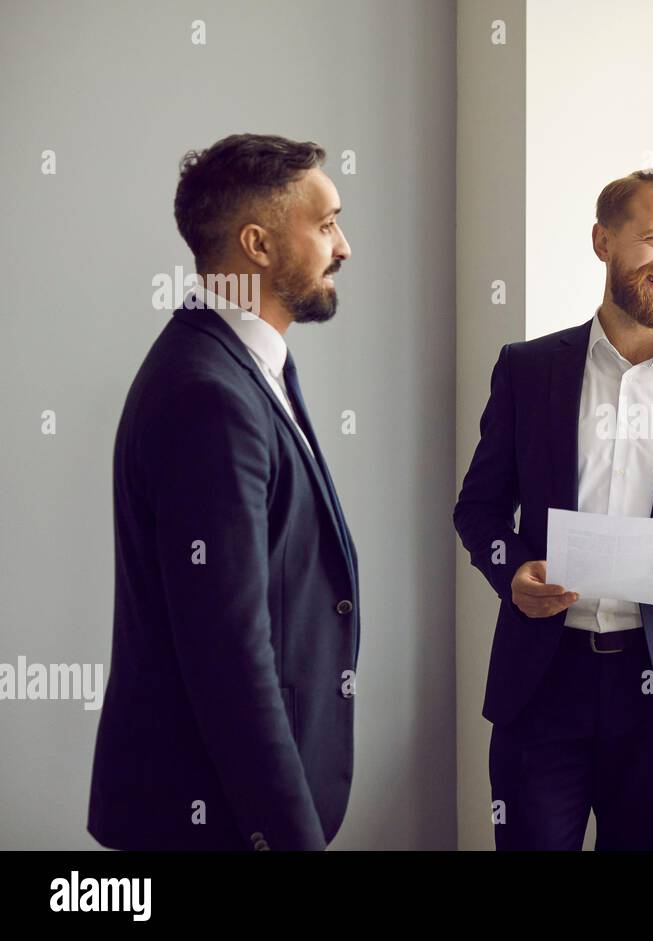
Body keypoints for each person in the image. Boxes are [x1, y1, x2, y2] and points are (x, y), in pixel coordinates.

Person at [454, 167, 653, 850]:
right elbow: (478, 510)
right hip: (542, 682)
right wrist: (510, 572)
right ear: (603, 241)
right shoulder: (528, 369)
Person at [88, 134, 358, 850]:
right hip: (210, 817)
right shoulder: (209, 393)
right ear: (258, 246)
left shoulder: (245, 365)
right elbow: (230, 653)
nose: (344, 247)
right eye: (326, 223)